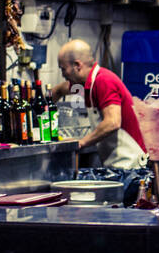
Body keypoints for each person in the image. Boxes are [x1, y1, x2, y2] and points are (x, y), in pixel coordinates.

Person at [49, 39, 146, 169]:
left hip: (131, 164)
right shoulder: (85, 85)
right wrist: (39, 109)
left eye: (63, 69)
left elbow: (112, 122)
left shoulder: (103, 81)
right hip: (116, 162)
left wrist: (82, 142)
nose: (63, 74)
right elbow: (60, 90)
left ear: (77, 65)